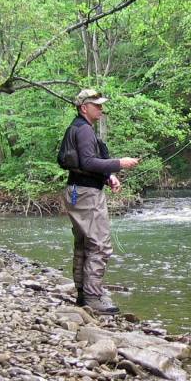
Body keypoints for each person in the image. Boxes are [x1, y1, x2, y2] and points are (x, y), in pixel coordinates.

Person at [61, 88, 140, 314]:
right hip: (87, 195)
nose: (101, 108)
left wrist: (108, 177)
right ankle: (93, 297)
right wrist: (119, 163)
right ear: (84, 108)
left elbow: (83, 164)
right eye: (97, 105)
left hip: (77, 190)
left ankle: (82, 294)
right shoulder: (84, 130)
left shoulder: (75, 128)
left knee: (84, 244)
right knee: (100, 245)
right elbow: (88, 162)